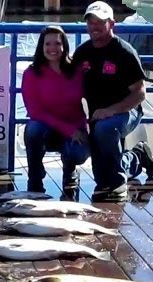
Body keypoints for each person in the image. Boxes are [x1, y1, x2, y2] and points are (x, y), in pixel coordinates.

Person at [71, 1, 153, 201]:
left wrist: (111, 110)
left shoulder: (124, 52)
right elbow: (73, 94)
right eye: (90, 22)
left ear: (112, 23)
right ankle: (137, 157)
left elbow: (139, 93)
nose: (94, 26)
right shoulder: (82, 53)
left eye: (100, 22)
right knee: (96, 169)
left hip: (127, 111)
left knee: (105, 130)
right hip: (95, 115)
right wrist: (78, 125)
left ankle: (118, 184)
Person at [21, 25, 92, 195]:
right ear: (41, 46)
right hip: (48, 128)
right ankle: (35, 176)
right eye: (48, 44)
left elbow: (92, 100)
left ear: (64, 46)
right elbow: (35, 111)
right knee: (33, 129)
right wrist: (69, 130)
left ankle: (70, 170)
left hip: (75, 125)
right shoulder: (31, 73)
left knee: (78, 154)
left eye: (57, 43)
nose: (52, 48)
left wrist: (86, 128)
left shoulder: (78, 70)